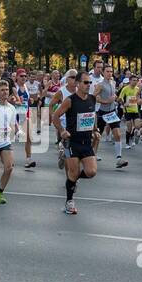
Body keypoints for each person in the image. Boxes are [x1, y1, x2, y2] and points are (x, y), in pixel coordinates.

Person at [51, 70, 97, 214]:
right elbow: (55, 116)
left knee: (91, 172)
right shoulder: (70, 100)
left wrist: (95, 130)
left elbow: (91, 115)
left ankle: (74, 180)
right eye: (85, 82)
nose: (88, 85)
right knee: (73, 172)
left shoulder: (92, 99)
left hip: (86, 142)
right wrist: (62, 131)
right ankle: (69, 202)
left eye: (90, 82)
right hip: (72, 142)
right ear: (77, 84)